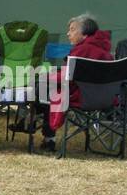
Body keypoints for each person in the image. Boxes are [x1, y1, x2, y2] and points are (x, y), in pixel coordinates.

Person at [45, 13, 113, 151]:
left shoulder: (82, 51)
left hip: (81, 97)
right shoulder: (105, 52)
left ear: (85, 34)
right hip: (106, 99)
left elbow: (67, 78)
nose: (68, 33)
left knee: (42, 92)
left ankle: (48, 138)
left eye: (72, 29)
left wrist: (46, 76)